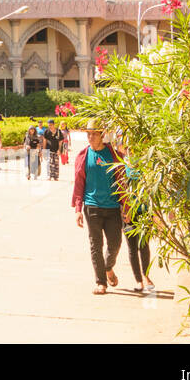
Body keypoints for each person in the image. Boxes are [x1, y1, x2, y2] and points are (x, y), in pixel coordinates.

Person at [71, 121, 127, 294]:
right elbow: (79, 183)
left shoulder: (114, 156)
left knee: (115, 243)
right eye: (88, 134)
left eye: (94, 134)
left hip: (112, 206)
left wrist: (126, 206)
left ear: (102, 135)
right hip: (92, 206)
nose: (90, 137)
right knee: (95, 245)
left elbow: (122, 183)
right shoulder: (83, 156)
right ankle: (101, 282)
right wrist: (78, 209)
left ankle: (108, 267)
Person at [114, 143, 154, 294]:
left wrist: (154, 212)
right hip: (127, 212)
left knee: (144, 245)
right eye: (128, 147)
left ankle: (146, 276)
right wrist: (125, 209)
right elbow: (119, 190)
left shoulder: (147, 165)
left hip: (144, 211)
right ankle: (138, 280)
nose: (131, 150)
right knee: (132, 247)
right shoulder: (121, 166)